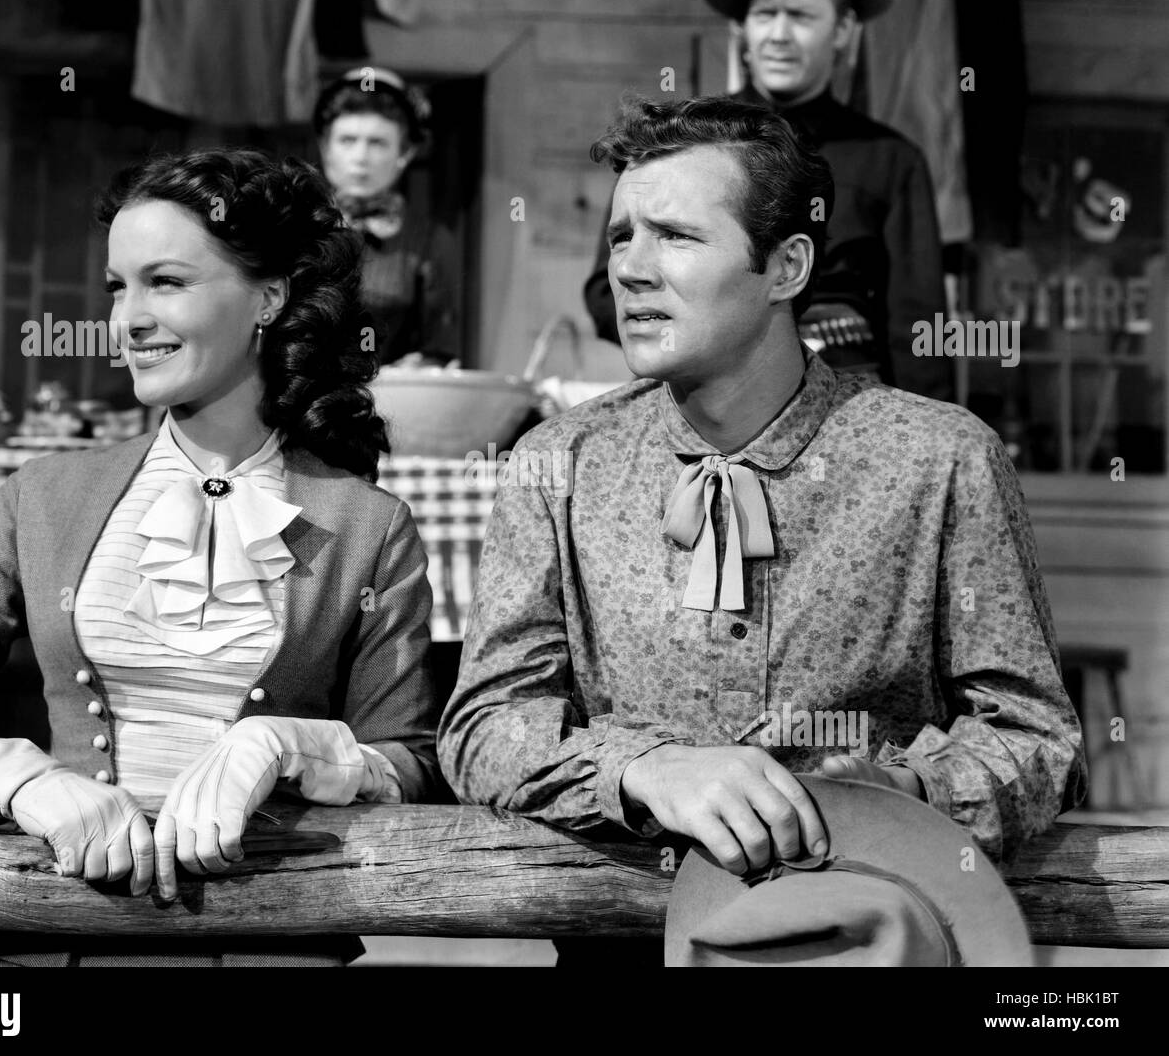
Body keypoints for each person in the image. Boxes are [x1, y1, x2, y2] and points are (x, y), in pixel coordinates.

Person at [439, 96, 1085, 965]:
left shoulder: (940, 457)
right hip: (619, 947)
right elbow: (483, 725)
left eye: (674, 235)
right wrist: (644, 769)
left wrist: (903, 791)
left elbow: (1036, 734)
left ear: (784, 268)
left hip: (863, 942)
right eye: (621, 234)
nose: (631, 268)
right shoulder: (558, 462)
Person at [0, 148, 442, 966]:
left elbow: (412, 761)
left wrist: (283, 744)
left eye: (165, 282)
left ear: (270, 298)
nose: (128, 317)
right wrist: (14, 773)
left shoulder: (367, 524)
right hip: (52, 929)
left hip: (270, 940)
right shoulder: (45, 494)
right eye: (117, 285)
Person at [583, 0, 952, 401]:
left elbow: (917, 322)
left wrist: (920, 429)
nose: (779, 35)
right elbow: (603, 291)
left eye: (800, 16)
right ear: (742, 29)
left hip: (845, 397)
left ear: (843, 30)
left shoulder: (889, 159)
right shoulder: (681, 144)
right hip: (697, 394)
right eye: (764, 15)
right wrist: (707, 330)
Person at [313, 67, 462, 367]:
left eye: (377, 143)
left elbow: (439, 349)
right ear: (325, 148)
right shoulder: (292, 226)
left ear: (404, 154)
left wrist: (421, 366)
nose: (360, 158)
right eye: (347, 140)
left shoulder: (431, 240)